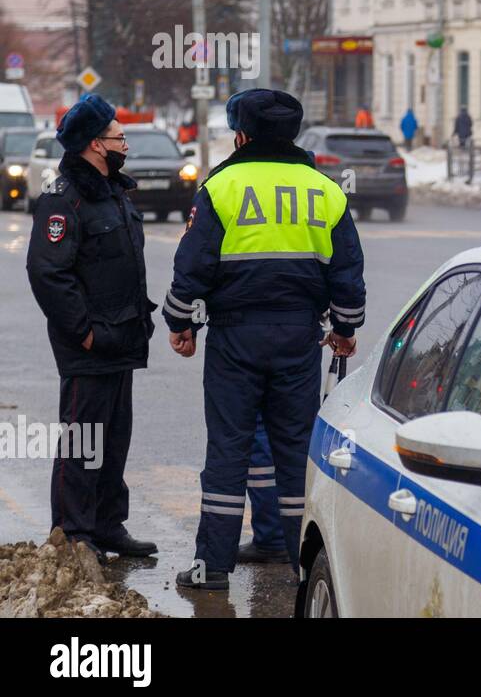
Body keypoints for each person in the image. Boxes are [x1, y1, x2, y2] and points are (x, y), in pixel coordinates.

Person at [166, 89, 366, 591]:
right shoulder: (325, 190)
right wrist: (344, 330)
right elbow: (347, 271)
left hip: (236, 336)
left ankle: (211, 567)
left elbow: (193, 264)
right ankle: (303, 561)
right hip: (301, 337)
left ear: (242, 134)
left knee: (229, 448)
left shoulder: (222, 187)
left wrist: (180, 322)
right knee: (296, 449)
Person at [26, 95, 157, 564]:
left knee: (114, 437)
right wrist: (83, 332)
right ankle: (74, 533)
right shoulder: (65, 199)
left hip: (121, 338)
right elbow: (48, 272)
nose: (125, 143)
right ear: (95, 145)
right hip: (90, 344)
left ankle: (107, 525)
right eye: (119, 136)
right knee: (83, 440)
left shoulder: (115, 192)